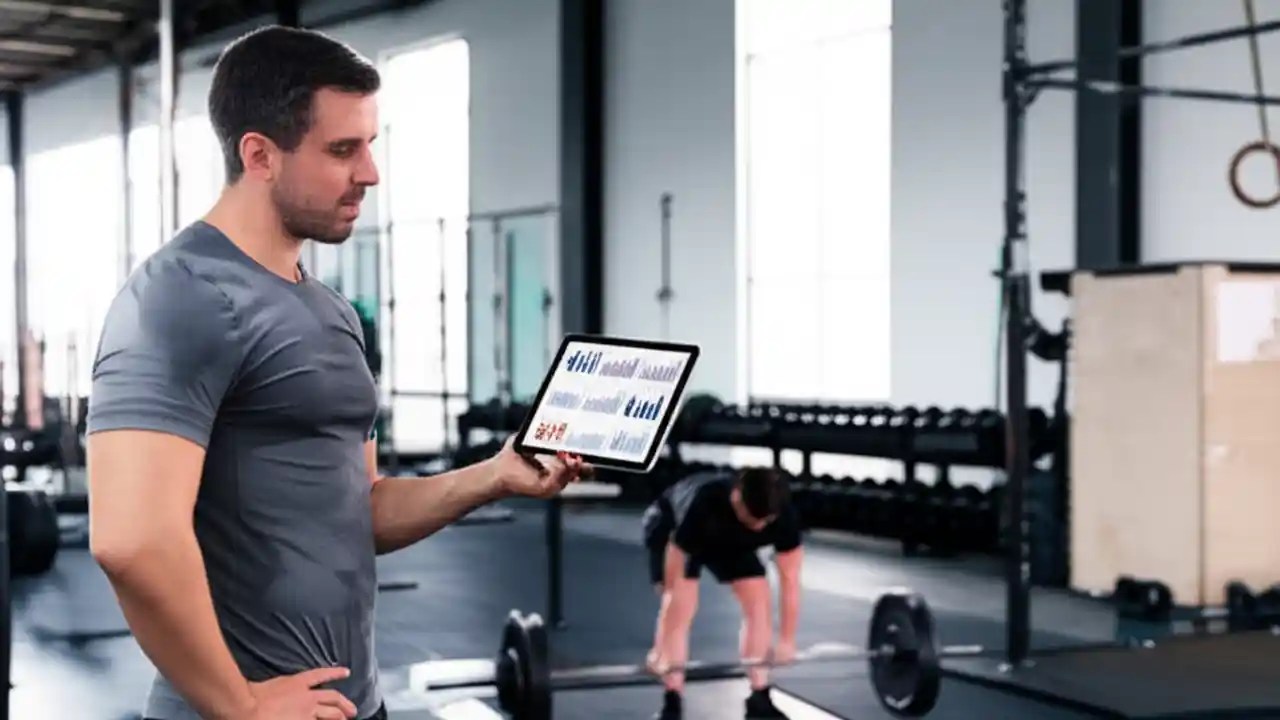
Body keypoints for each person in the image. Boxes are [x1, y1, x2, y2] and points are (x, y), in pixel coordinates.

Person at [85, 25, 590, 720]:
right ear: (259, 154)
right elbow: (130, 538)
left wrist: (495, 474)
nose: (370, 173)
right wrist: (242, 706)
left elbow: (361, 509)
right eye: (342, 150)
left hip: (350, 704)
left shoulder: (330, 310)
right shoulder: (183, 295)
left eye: (370, 145)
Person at [642, 467, 805, 720]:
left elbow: (791, 579)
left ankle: (759, 698)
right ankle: (671, 701)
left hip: (727, 537)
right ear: (737, 496)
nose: (759, 527)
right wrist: (661, 647)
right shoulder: (704, 502)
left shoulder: (781, 512)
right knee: (683, 605)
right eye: (753, 519)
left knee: (759, 600)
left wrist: (787, 639)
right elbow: (674, 588)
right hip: (671, 526)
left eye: (765, 522)